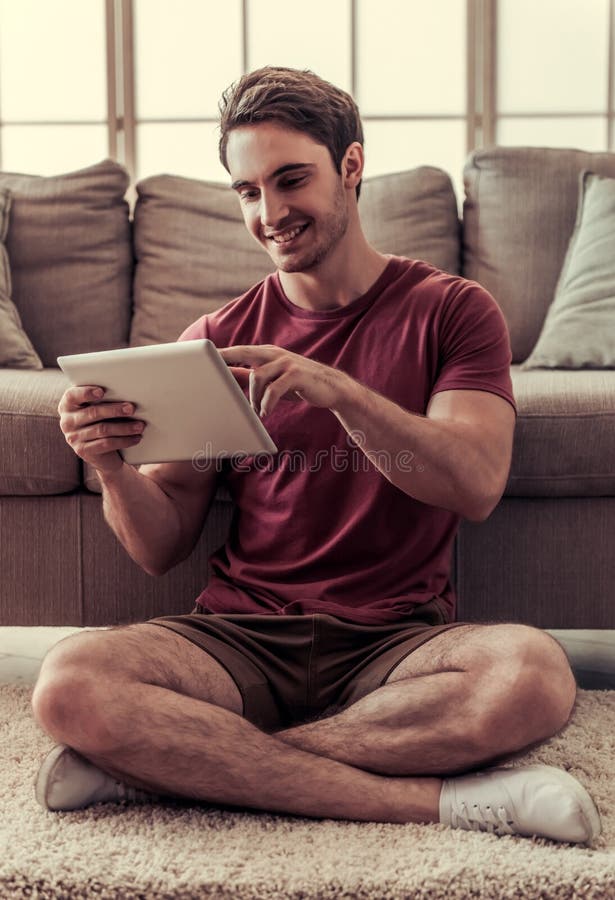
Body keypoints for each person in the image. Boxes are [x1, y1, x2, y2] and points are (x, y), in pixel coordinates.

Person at [33, 66, 600, 843]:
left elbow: (473, 484)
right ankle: (439, 802)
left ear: (351, 167)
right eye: (247, 191)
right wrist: (108, 467)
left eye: (290, 179)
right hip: (241, 638)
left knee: (532, 678)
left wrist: (342, 392)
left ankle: (177, 769)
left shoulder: (453, 311)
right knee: (69, 685)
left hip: (397, 642)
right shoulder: (215, 340)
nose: (269, 214)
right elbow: (160, 547)